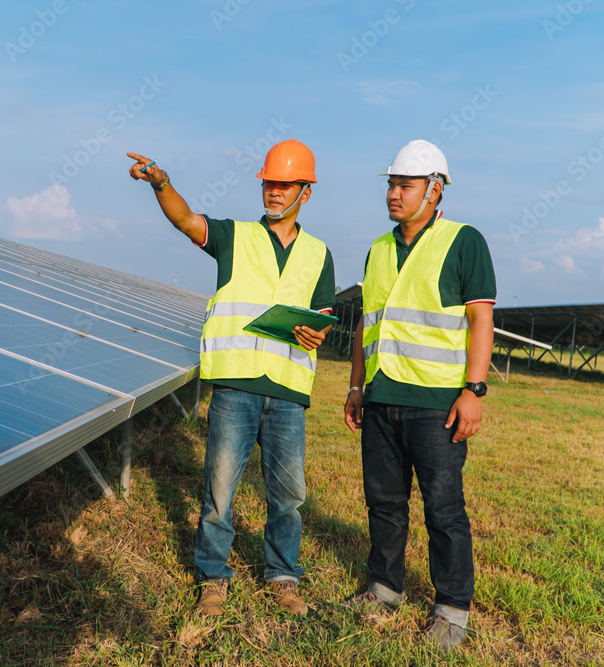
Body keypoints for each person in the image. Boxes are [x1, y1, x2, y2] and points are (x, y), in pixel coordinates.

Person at [127, 140, 336, 616]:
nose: (274, 192)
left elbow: (322, 316)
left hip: (287, 393)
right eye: (269, 183)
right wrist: (161, 182)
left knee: (289, 496)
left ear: (306, 191)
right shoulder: (234, 235)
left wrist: (315, 332)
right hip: (236, 386)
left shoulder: (319, 254)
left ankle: (284, 577)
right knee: (219, 493)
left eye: (285, 185)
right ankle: (213, 578)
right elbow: (186, 221)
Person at [342, 140, 496, 651]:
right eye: (390, 184)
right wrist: (357, 385)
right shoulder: (379, 249)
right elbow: (368, 324)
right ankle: (384, 588)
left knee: (443, 508)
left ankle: (452, 610)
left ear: (434, 190)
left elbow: (480, 320)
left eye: (404, 185)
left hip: (436, 404)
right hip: (383, 399)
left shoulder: (463, 241)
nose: (393, 193)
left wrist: (473, 391)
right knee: (384, 503)